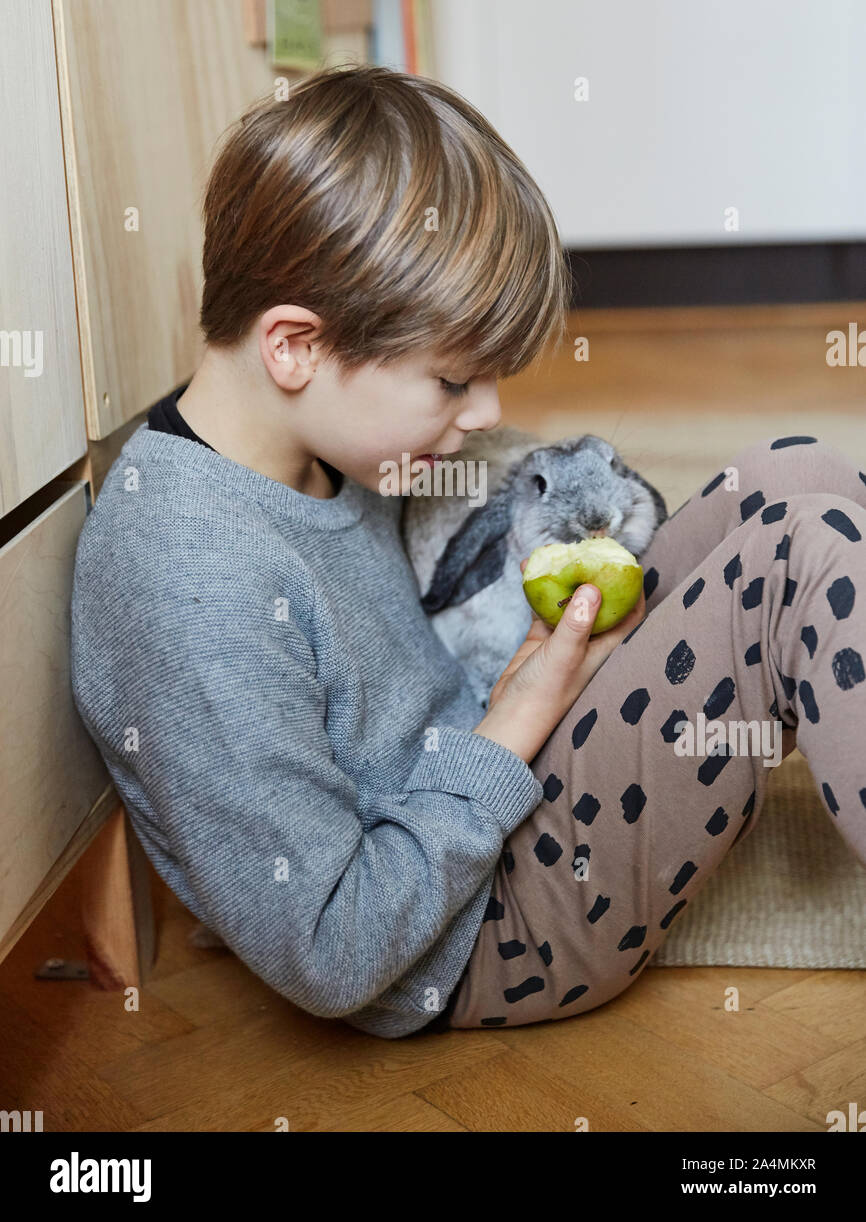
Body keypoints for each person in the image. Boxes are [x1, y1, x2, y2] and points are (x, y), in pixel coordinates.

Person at [70, 65, 866, 1040]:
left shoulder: (306, 443)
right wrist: (510, 730)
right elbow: (333, 950)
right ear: (294, 347)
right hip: (479, 931)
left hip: (493, 769)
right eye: (452, 379)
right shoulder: (189, 579)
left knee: (794, 477)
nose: (486, 413)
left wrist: (533, 681)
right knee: (798, 564)